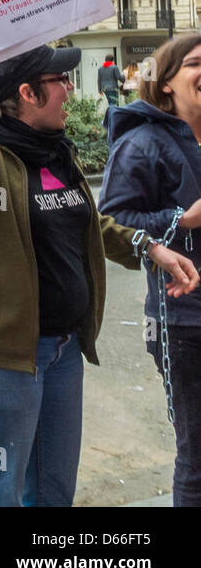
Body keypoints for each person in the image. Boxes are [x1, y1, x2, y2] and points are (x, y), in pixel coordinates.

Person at [0, 41, 199, 506]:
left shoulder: (53, 148)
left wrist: (148, 247)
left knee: (51, 492)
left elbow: (88, 220)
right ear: (26, 92)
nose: (69, 89)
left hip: (63, 350)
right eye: (60, 81)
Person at [100, 35, 201, 506]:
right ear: (165, 85)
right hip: (186, 321)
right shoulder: (141, 143)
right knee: (197, 457)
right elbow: (114, 222)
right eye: (197, 64)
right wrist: (181, 219)